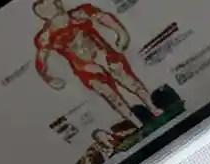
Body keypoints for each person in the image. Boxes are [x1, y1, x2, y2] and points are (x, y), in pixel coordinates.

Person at [33, 0, 162, 127]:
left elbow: (104, 17)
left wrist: (122, 34)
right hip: (84, 67)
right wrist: (49, 79)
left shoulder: (80, 13)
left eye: (54, 3)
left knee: (127, 79)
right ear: (43, 15)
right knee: (110, 95)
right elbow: (41, 60)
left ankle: (152, 106)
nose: (55, 6)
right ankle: (137, 123)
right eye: (46, 8)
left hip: (102, 53)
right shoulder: (46, 36)